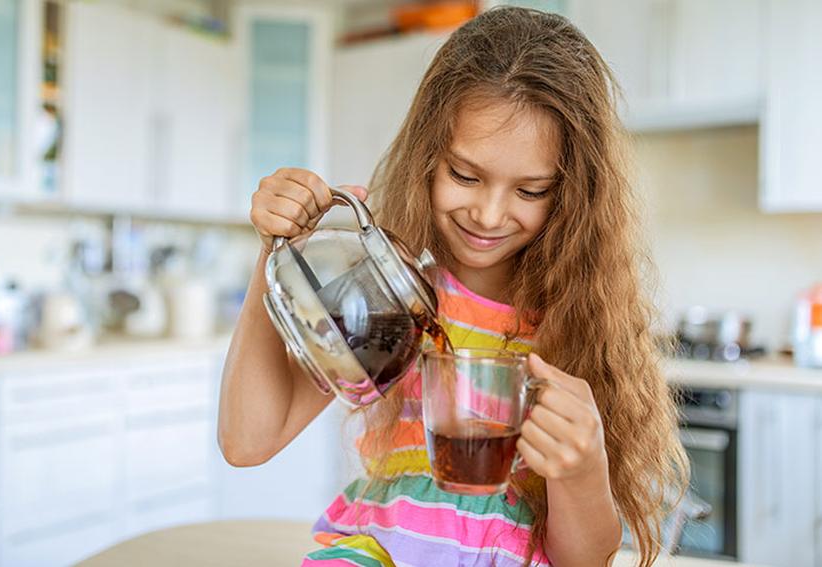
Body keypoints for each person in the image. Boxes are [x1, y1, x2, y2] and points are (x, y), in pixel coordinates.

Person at [218, 6, 688, 567]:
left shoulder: (579, 321)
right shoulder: (390, 298)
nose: (488, 214)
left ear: (572, 193)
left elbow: (584, 560)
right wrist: (275, 248)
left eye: (530, 191)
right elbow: (248, 441)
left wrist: (583, 469)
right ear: (427, 156)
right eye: (465, 175)